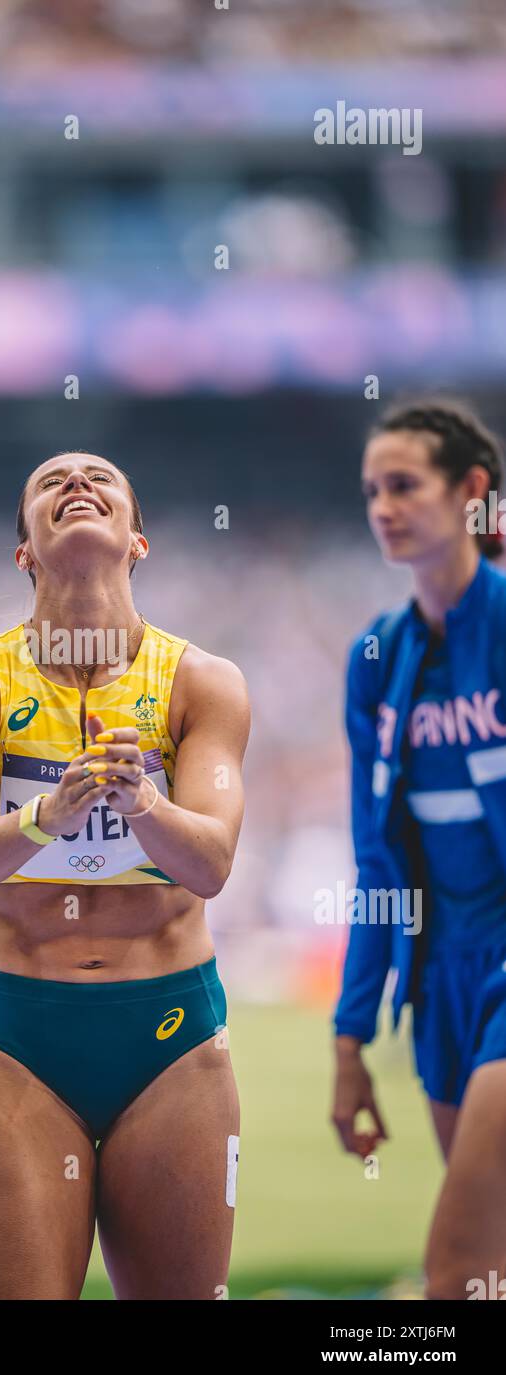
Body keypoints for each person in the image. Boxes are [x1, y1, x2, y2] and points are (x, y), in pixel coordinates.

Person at [0, 451, 249, 1299]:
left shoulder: (202, 683)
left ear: (138, 540)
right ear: (23, 552)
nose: (75, 483)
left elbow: (211, 863)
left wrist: (143, 803)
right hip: (21, 1039)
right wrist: (46, 816)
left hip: (172, 1038)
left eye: (99, 478)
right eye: (50, 482)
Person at [331, 400, 506, 1299]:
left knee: (459, 1272)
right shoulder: (377, 659)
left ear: (471, 491)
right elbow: (377, 864)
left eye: (404, 485)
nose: (383, 508)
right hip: (440, 983)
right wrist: (350, 1036)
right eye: (371, 491)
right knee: (497, 1269)